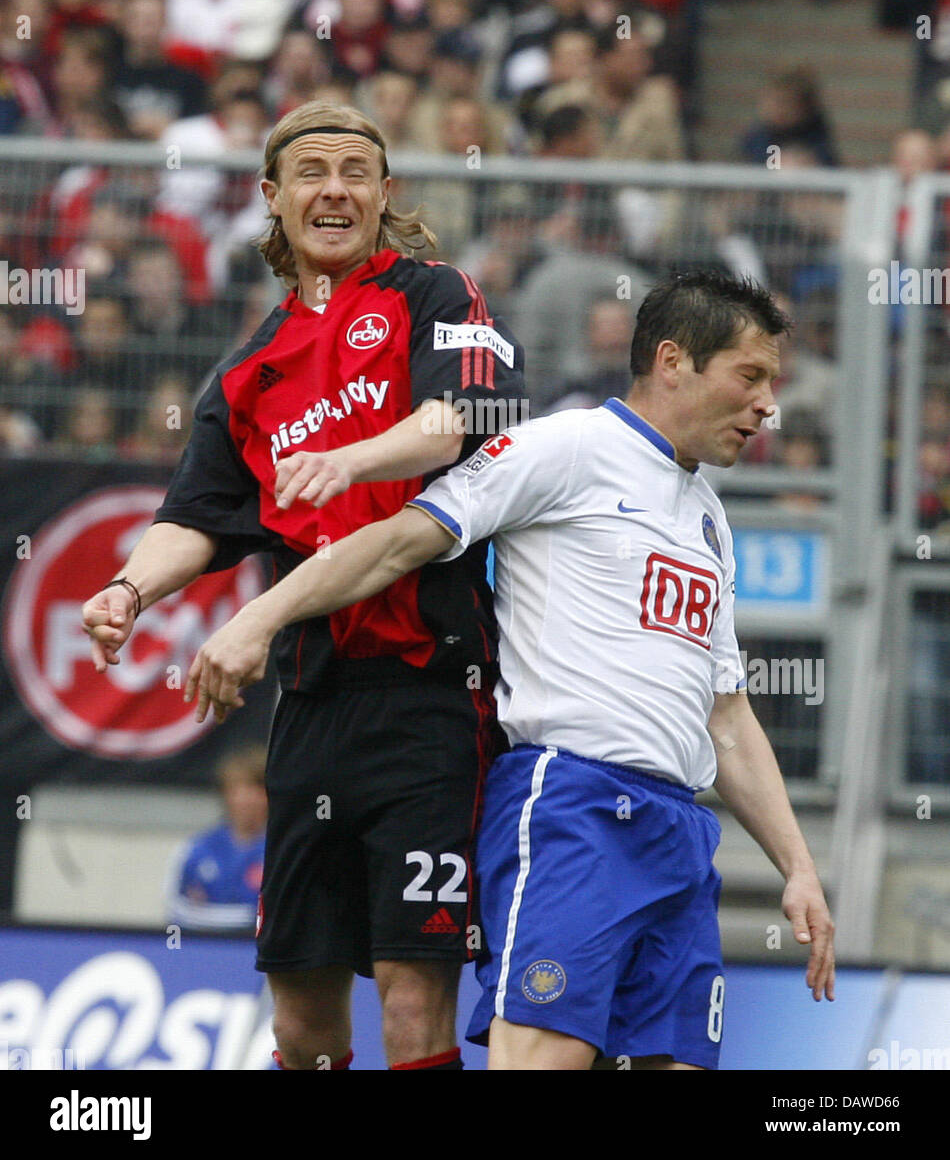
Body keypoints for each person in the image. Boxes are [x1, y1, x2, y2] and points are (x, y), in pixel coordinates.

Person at [180, 270, 836, 1071]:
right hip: (575, 810)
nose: (769, 403)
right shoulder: (562, 446)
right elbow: (395, 542)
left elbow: (727, 716)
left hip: (681, 833)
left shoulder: (709, 519)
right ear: (673, 360)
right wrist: (258, 619)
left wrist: (797, 868)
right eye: (751, 375)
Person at [81, 99, 526, 1072]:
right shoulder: (247, 366)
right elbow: (195, 516)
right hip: (310, 704)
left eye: (356, 171)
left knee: (412, 1001)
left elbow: (470, 414)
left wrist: (353, 457)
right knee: (300, 1024)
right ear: (271, 198)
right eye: (312, 172)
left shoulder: (435, 295)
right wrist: (128, 589)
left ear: (384, 194)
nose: (335, 189)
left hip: (430, 701)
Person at [165, 746, 268, 933]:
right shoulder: (194, 850)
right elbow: (176, 912)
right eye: (236, 790)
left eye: (254, 790)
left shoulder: (281, 854)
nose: (245, 800)